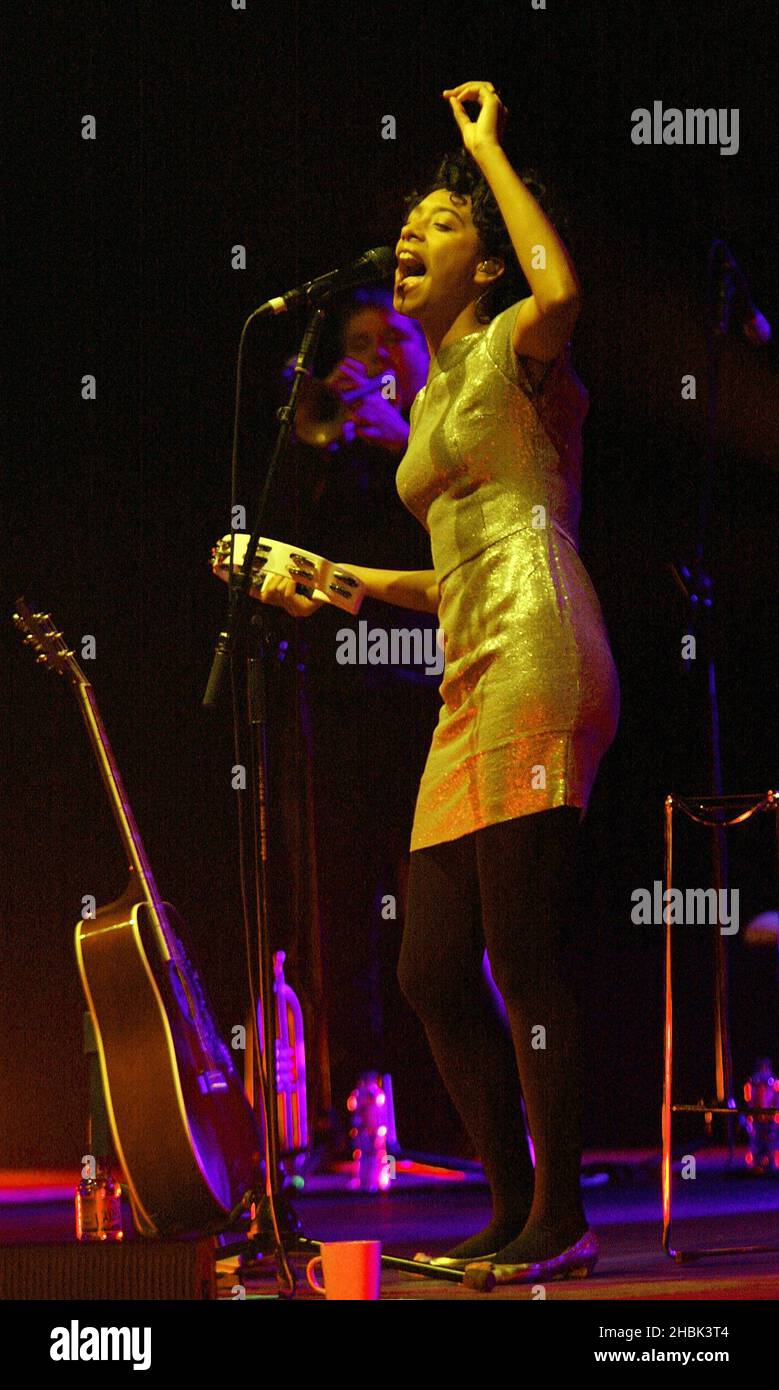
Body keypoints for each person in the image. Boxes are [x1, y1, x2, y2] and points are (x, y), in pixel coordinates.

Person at [255, 80, 620, 1285]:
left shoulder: (523, 337)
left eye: (439, 225)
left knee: (517, 946)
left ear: (485, 261)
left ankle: (558, 1211)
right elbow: (440, 574)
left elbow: (560, 284)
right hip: (468, 661)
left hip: (538, 643)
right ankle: (508, 1206)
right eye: (406, 227)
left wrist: (486, 154)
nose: (411, 239)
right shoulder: (430, 399)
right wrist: (326, 575)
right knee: (427, 968)